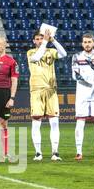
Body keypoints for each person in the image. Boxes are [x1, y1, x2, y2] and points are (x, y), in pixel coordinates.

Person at [27, 23, 67, 161]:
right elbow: (36, 58)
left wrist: (53, 40)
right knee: (36, 121)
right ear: (34, 41)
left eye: (41, 38)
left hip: (51, 90)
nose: (39, 41)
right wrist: (45, 41)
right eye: (37, 39)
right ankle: (38, 153)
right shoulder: (30, 52)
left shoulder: (51, 51)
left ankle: (55, 152)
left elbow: (64, 53)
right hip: (37, 90)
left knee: (54, 122)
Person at [70, 33, 94, 160]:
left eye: (89, 42)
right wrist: (79, 76)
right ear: (82, 43)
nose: (87, 44)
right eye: (85, 42)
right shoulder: (76, 56)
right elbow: (74, 75)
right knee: (80, 122)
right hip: (82, 94)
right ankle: (79, 152)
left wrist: (93, 66)